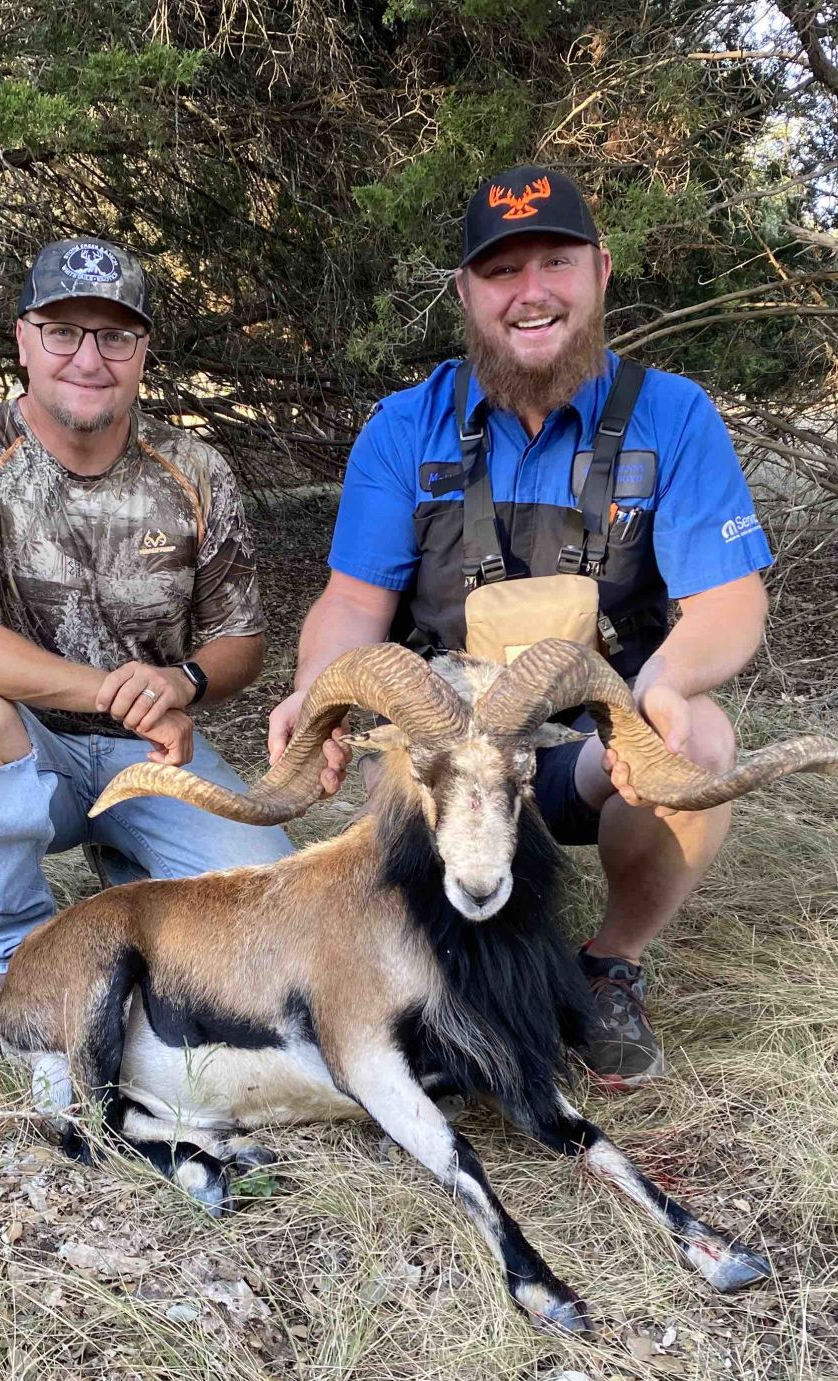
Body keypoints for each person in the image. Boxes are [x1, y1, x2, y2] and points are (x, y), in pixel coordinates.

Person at [269, 167, 774, 1087]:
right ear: (466, 292)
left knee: (700, 739)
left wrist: (664, 689)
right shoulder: (404, 427)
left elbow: (731, 602)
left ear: (601, 273)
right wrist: (316, 691)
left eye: (555, 262)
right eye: (502, 271)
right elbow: (350, 603)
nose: (530, 292)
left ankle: (610, 966)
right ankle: (427, 977)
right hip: (444, 751)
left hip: (590, 744)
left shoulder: (674, 417)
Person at [0, 237, 291, 1010]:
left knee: (278, 916)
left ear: (142, 351)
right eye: (62, 333)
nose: (88, 359)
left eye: (115, 336)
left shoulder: (196, 469)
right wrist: (117, 693)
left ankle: (132, 860)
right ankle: (11, 963)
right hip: (25, 748)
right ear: (23, 341)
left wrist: (182, 682)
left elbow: (241, 642)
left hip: (152, 753)